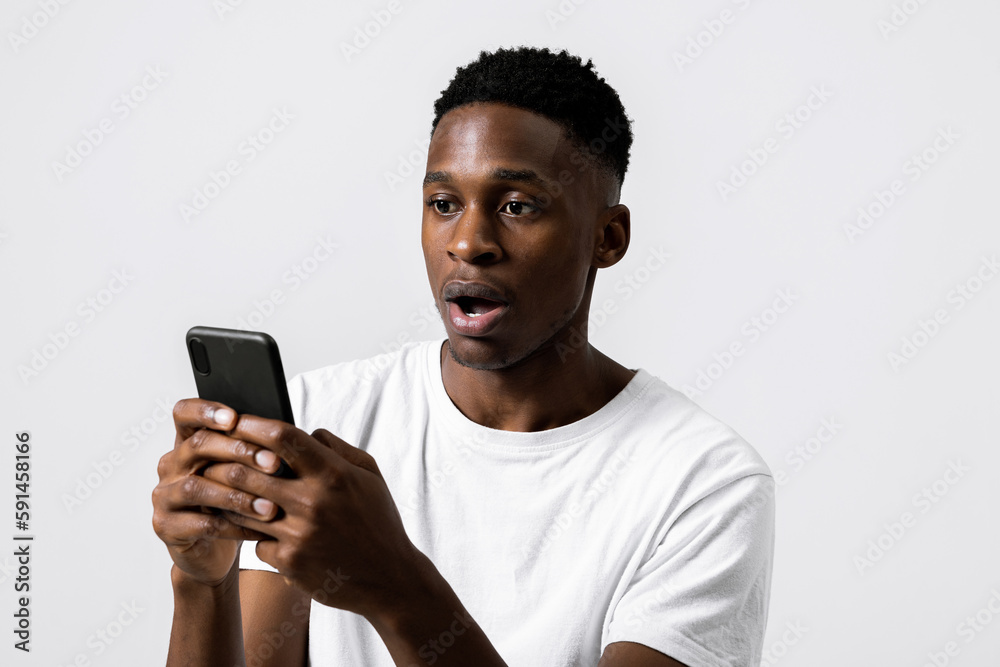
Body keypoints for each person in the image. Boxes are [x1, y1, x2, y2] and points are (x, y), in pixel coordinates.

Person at [152, 45, 775, 667]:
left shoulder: (703, 484)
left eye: (516, 207)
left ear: (606, 238)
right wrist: (203, 582)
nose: (468, 242)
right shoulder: (324, 417)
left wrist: (393, 582)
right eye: (443, 204)